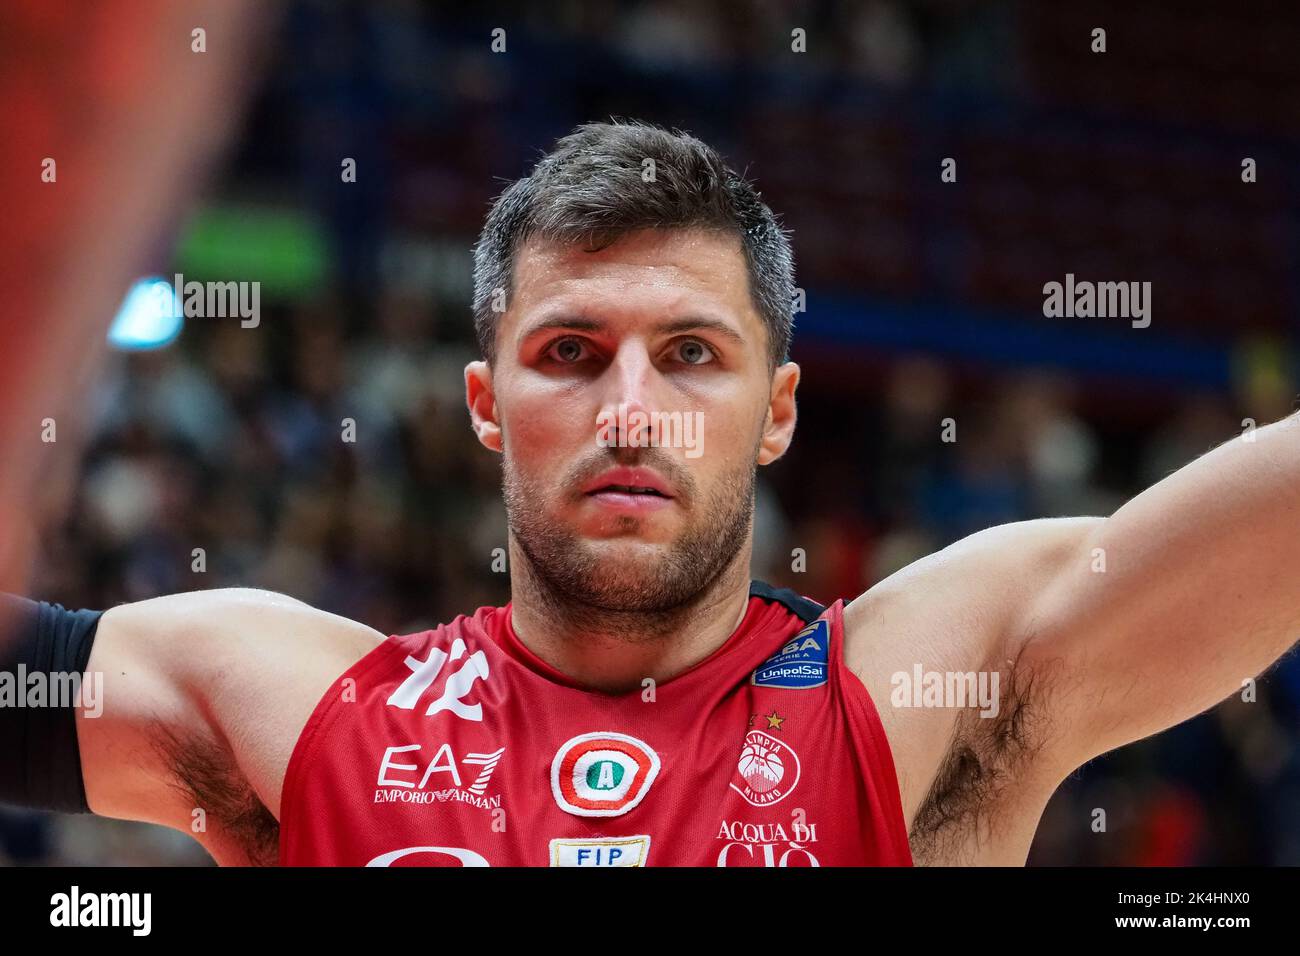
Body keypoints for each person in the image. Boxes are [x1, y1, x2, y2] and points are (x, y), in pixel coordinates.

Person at [3, 120, 1298, 866]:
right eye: (571, 353)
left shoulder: (916, 696)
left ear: (778, 410)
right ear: (485, 403)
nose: (628, 410)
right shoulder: (298, 703)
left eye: (691, 354)